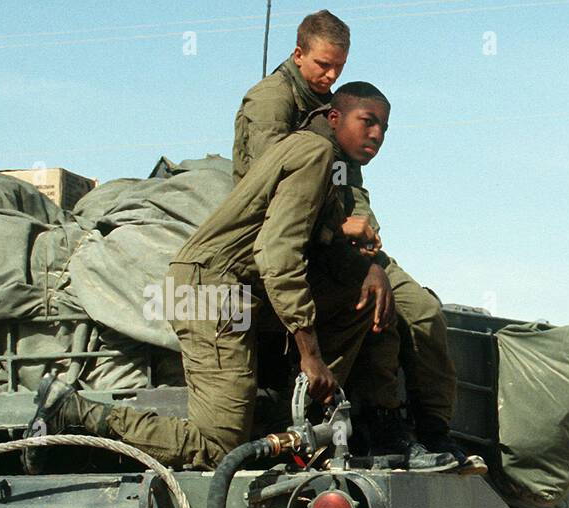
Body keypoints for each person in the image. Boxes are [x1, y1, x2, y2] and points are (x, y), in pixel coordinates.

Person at [29, 84, 396, 470]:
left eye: (384, 128)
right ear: (334, 117)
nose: (376, 135)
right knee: (217, 446)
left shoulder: (319, 158)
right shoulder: (315, 154)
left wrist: (371, 270)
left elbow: (307, 242)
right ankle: (73, 411)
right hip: (211, 293)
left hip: (240, 294)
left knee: (363, 295)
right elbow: (277, 254)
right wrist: (311, 355)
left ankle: (295, 419)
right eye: (367, 122)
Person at [233, 9, 473, 470]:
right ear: (298, 54)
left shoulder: (335, 119)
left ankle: (430, 431)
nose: (330, 75)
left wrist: (364, 242)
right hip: (292, 245)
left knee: (421, 310)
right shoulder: (272, 105)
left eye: (339, 68)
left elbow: (352, 193)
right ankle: (365, 427)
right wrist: (340, 232)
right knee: (370, 303)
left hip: (338, 242)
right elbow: (268, 199)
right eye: (323, 65)